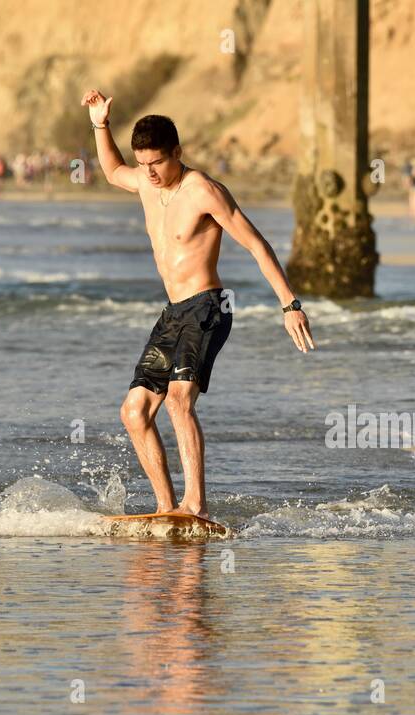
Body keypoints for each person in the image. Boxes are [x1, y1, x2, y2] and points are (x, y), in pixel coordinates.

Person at [80, 89, 314, 519]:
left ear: (177, 153)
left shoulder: (203, 190)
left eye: (157, 163)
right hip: (173, 313)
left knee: (178, 399)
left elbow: (257, 245)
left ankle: (196, 506)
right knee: (134, 411)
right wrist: (100, 124)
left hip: (208, 307)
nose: (149, 173)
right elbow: (113, 171)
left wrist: (289, 304)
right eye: (144, 163)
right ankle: (166, 507)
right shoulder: (146, 185)